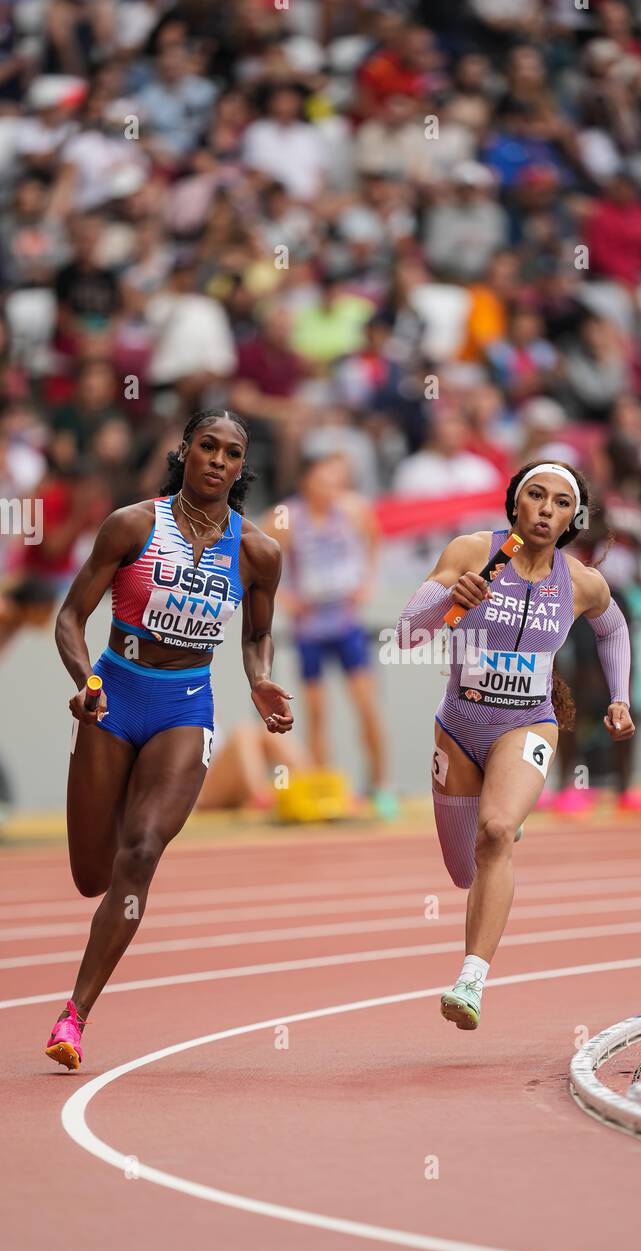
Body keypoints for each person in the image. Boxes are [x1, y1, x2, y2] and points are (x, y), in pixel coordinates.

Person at [45, 410, 292, 1070]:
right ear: (184, 453)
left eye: (231, 452)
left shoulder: (258, 552)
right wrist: (84, 680)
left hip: (186, 704)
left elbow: (256, 633)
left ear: (242, 467)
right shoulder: (132, 524)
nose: (217, 459)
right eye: (207, 446)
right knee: (91, 876)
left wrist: (261, 678)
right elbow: (71, 616)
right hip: (113, 694)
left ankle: (75, 1016)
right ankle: (120, 803)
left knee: (145, 848)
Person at [396, 459, 634, 1030]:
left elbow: (614, 627)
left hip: (528, 722)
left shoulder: (580, 582)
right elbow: (407, 633)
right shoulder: (471, 551)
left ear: (572, 516)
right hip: (459, 722)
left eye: (559, 501)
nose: (546, 509)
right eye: (535, 496)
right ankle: (500, 814)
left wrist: (619, 696)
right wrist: (450, 598)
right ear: (515, 504)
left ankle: (470, 981)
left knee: (496, 834)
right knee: (462, 870)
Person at [266, 451, 399, 820]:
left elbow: (375, 538)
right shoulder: (288, 516)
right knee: (316, 712)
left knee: (366, 705)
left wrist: (368, 581)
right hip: (309, 626)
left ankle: (380, 785)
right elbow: (252, 553)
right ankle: (326, 792)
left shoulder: (354, 509)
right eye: (326, 481)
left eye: (338, 481)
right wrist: (283, 597)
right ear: (308, 480)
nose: (333, 489)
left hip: (345, 621)